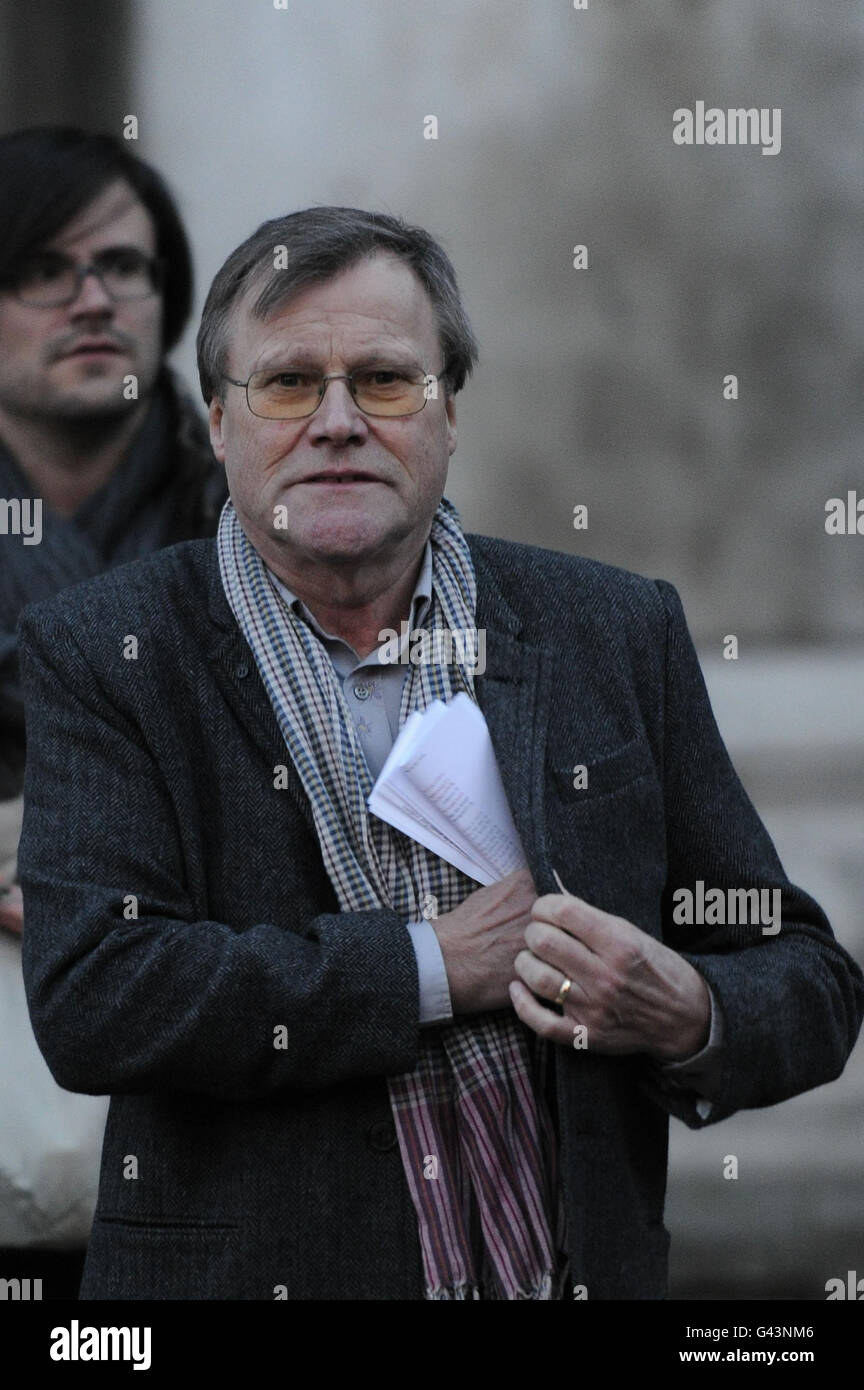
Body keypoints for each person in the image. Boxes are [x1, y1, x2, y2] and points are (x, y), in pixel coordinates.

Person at [15, 206, 864, 1301]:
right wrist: (428, 967)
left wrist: (689, 1005)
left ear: (448, 412)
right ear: (219, 426)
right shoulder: (108, 648)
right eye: (285, 385)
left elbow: (809, 977)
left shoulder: (609, 627)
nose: (336, 422)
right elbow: (98, 998)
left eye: (383, 379)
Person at [0, 126, 226, 1296]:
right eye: (44, 269)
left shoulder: (276, 516)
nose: (92, 299)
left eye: (124, 269)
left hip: (223, 1130)